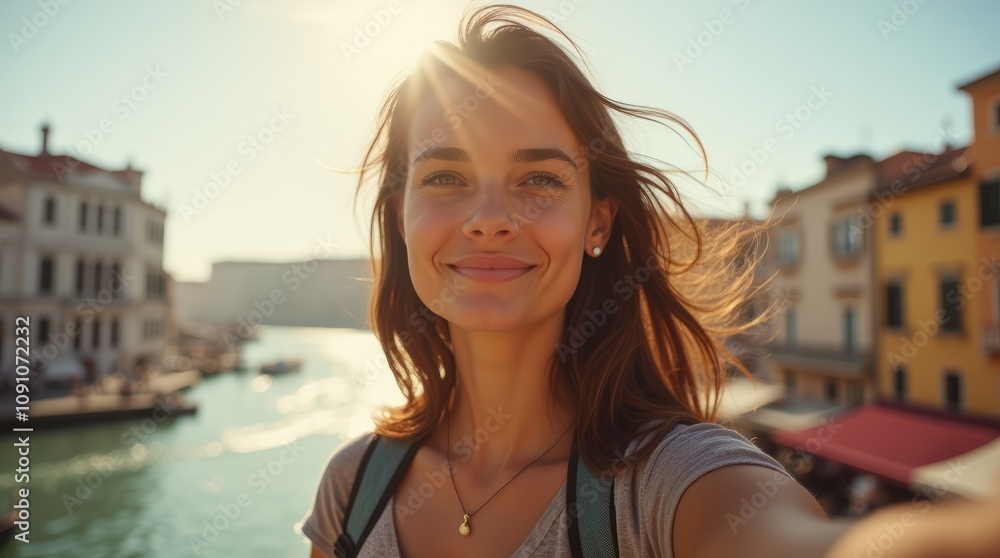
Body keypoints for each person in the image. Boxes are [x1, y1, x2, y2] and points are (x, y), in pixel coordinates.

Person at [298, 5, 1000, 558]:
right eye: (446, 176)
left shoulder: (670, 485)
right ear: (400, 216)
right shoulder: (353, 487)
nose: (488, 219)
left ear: (597, 223)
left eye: (538, 179)